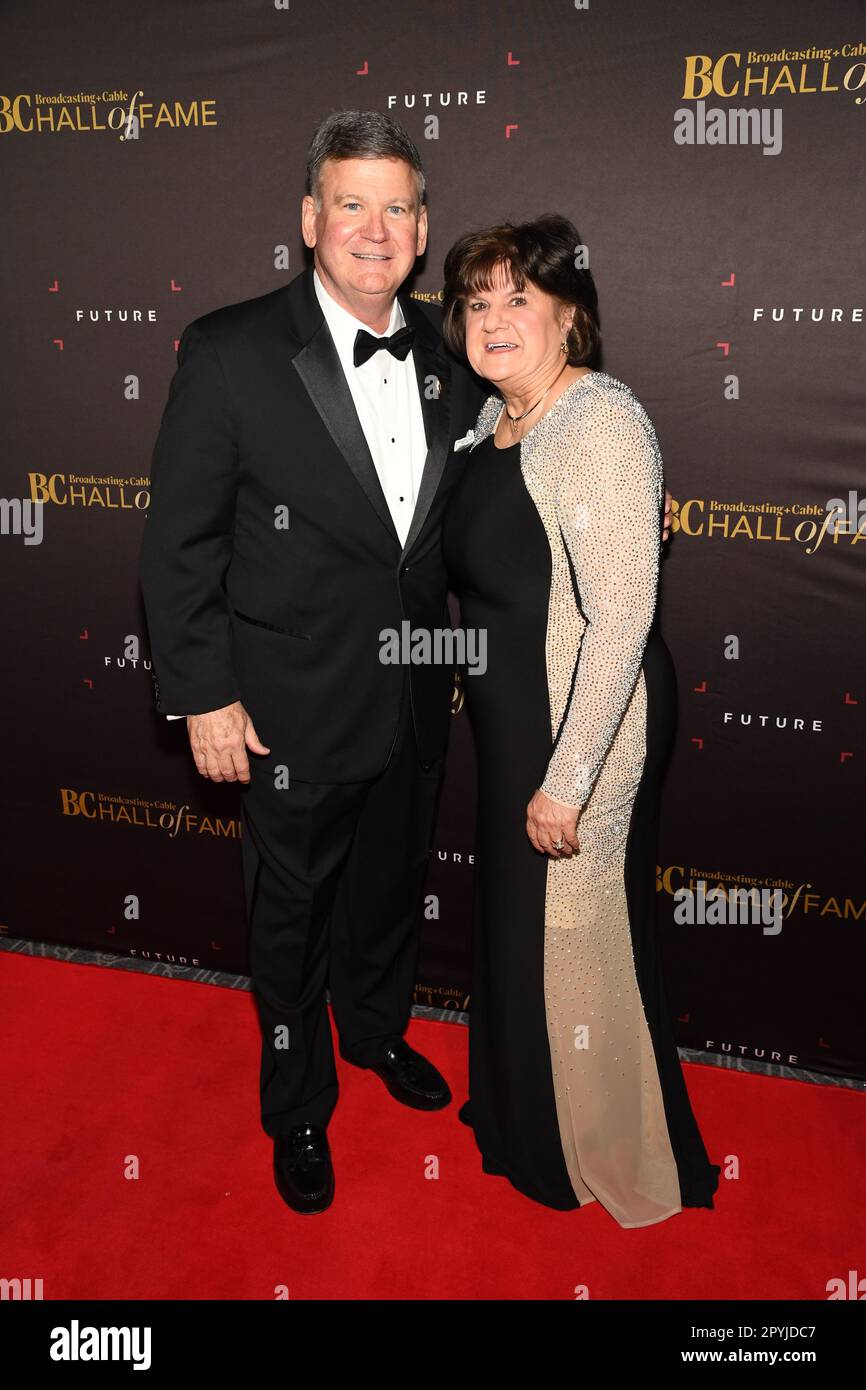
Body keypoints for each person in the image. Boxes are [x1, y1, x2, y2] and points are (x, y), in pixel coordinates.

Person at [139, 110, 673, 1217]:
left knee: (386, 893)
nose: (373, 229)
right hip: (283, 707)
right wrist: (202, 694)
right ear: (309, 219)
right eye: (350, 203)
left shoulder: (454, 344)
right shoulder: (228, 349)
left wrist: (634, 516)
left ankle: (376, 1034)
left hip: (421, 694)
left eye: (396, 207)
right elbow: (178, 542)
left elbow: (545, 456)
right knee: (288, 916)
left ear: (422, 225)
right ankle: (296, 1103)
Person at [441, 215, 720, 1227]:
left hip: (584, 723)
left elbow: (618, 622)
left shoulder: (596, 420)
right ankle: (527, 1123)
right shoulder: (493, 419)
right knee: (523, 928)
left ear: (571, 316)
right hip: (515, 721)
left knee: (575, 931)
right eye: (476, 302)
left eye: (519, 297)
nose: (493, 318)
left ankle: (602, 1146)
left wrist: (568, 777)